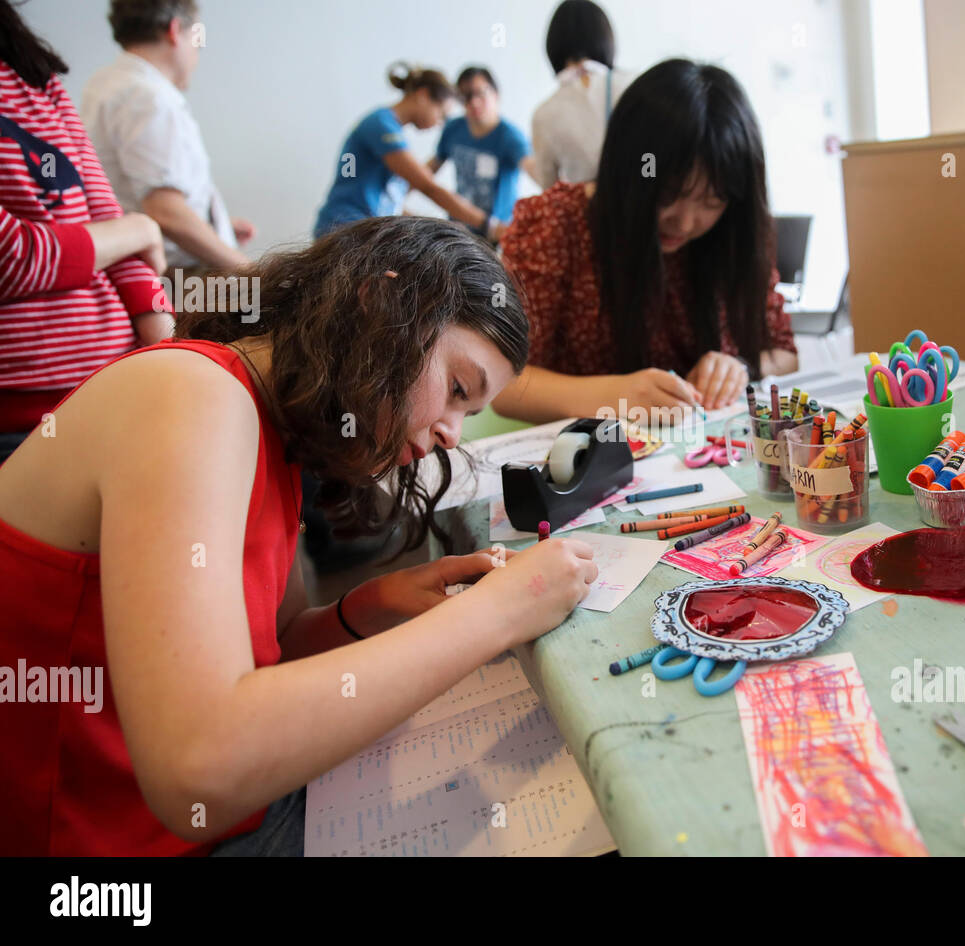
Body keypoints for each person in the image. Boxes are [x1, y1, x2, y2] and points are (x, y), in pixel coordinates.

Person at [0, 217, 597, 856]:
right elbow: (196, 769)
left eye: (468, 413)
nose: (451, 432)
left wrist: (365, 609)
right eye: (456, 389)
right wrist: (495, 617)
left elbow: (274, 650)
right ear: (382, 303)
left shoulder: (269, 429)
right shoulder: (191, 396)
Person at [493, 59, 798, 423]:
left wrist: (741, 368)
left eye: (711, 202)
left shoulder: (733, 234)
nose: (684, 222)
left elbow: (785, 353)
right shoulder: (556, 225)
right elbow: (505, 384)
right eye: (668, 193)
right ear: (629, 169)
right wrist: (617, 395)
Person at [0, 0, 171, 465]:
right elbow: (11, 258)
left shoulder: (32, 73)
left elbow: (104, 213)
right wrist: (138, 228)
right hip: (17, 417)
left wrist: (163, 337)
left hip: (112, 384)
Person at [82, 0, 253, 273]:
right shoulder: (148, 97)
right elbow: (166, 212)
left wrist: (220, 227)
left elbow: (134, 194)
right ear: (175, 30)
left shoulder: (104, 84)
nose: (198, 52)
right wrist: (251, 270)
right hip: (175, 274)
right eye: (197, 38)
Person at [314, 63, 488, 239]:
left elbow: (390, 204)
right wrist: (488, 224)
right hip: (343, 231)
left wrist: (442, 228)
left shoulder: (391, 130)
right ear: (423, 95)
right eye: (441, 114)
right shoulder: (381, 125)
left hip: (359, 231)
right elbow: (428, 186)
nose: (440, 123)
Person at [532, 0, 632, 188]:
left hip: (591, 214)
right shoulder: (635, 84)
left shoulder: (544, 115)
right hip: (647, 208)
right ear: (606, 39)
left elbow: (550, 191)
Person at [433, 67, 535, 235]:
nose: (474, 102)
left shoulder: (509, 136)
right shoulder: (453, 129)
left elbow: (531, 166)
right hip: (459, 228)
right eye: (465, 97)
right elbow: (429, 171)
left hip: (497, 231)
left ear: (496, 94)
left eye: (480, 93)